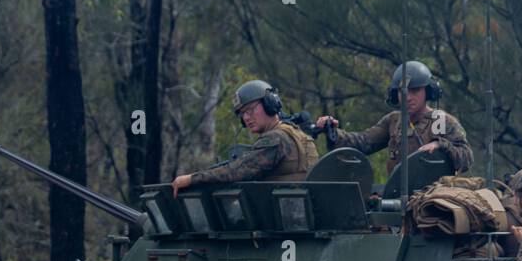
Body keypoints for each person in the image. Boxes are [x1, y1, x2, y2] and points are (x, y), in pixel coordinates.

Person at [316, 61, 473, 174]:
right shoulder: (394, 121)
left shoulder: (441, 120)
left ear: (429, 92)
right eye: (403, 92)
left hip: (435, 199)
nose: (408, 97)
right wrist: (333, 133)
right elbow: (363, 142)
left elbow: (467, 157)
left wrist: (441, 145)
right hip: (398, 196)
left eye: (415, 91)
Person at [172, 80, 318, 192]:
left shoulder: (276, 138)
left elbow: (237, 171)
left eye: (250, 110)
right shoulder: (297, 133)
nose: (246, 118)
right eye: (242, 114)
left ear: (269, 104)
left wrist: (192, 179)